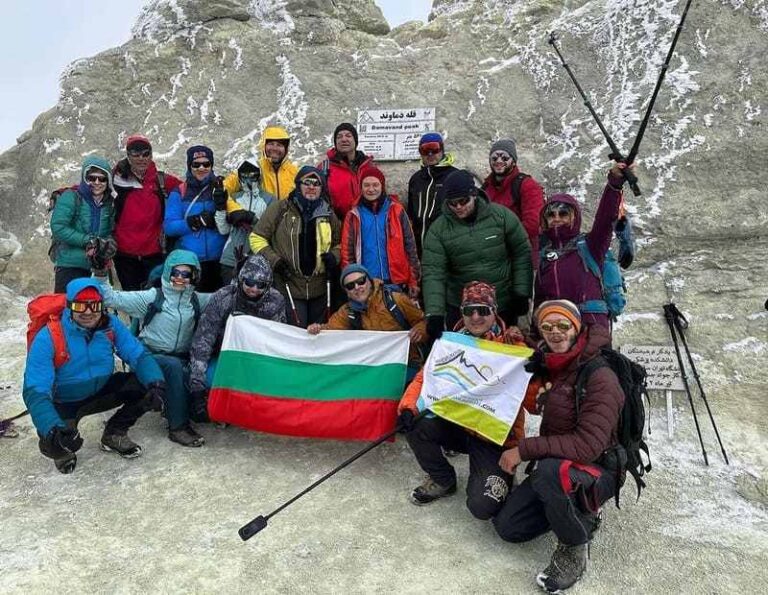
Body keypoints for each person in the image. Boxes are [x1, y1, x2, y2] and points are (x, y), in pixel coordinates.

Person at [492, 300, 624, 593]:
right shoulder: (557, 364)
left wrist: (523, 450)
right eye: (547, 327)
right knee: (508, 527)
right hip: (561, 465)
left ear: (576, 329)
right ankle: (570, 508)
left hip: (599, 468)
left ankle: (575, 546)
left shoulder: (599, 376)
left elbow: (587, 446)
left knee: (551, 472)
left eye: (563, 325)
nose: (555, 333)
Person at [397, 281, 527, 517]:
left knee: (482, 507)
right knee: (417, 425)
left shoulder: (511, 346)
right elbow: (424, 378)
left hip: (493, 436)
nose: (475, 316)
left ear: (494, 312)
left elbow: (532, 398)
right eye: (469, 310)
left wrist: (536, 366)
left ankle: (503, 475)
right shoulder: (449, 343)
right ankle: (442, 479)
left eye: (483, 310)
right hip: (460, 424)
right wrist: (409, 408)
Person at [22, 278, 165, 473]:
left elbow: (138, 355)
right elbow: (35, 391)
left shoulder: (110, 326)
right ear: (70, 307)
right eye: (81, 306)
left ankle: (114, 433)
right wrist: (51, 427)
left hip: (101, 390)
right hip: (65, 400)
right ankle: (62, 451)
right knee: (56, 438)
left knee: (142, 385)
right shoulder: (49, 336)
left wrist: (155, 383)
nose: (88, 312)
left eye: (94, 305)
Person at [93, 249, 213, 447]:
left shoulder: (196, 300)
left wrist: (242, 280)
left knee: (189, 369)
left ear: (195, 276)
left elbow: (222, 298)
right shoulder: (151, 298)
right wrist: (99, 272)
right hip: (149, 356)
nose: (180, 278)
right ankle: (178, 427)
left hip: (181, 358)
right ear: (168, 273)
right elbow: (109, 298)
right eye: (176, 273)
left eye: (186, 274)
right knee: (173, 366)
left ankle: (180, 408)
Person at [422, 169, 532, 334]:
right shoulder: (439, 229)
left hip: (501, 301)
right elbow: (433, 272)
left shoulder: (501, 216)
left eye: (463, 201)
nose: (458, 207)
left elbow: (522, 253)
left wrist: (521, 292)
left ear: (474, 195)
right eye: (453, 203)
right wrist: (435, 313)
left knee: (503, 349)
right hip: (462, 308)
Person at [188, 254, 286, 420]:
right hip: (223, 356)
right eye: (249, 282)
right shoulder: (224, 297)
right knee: (209, 380)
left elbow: (278, 339)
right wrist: (197, 383)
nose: (254, 289)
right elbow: (204, 339)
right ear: (241, 279)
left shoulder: (276, 301)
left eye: (260, 285)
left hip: (256, 358)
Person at [535, 163, 630, 330]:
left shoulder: (591, 246)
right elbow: (539, 302)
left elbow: (605, 219)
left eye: (563, 213)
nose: (556, 218)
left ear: (574, 217)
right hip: (556, 334)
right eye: (551, 214)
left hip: (591, 329)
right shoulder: (544, 256)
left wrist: (614, 184)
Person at [250, 166, 341, 327]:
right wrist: (274, 261)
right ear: (298, 184)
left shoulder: (328, 212)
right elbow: (257, 237)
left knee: (319, 334)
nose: (311, 187)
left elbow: (340, 243)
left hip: (320, 287)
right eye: (307, 182)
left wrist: (334, 256)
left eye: (317, 183)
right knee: (294, 332)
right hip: (288, 285)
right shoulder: (280, 209)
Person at [308, 264, 427, 373]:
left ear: (369, 281)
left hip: (405, 364)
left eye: (361, 281)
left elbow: (424, 322)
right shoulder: (346, 312)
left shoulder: (395, 299)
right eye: (350, 286)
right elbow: (329, 332)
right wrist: (317, 329)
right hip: (372, 368)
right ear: (346, 292)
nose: (357, 287)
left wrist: (420, 330)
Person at [112, 134, 182, 290]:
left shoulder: (162, 181)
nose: (141, 158)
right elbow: (94, 186)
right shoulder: (116, 178)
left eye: (145, 154)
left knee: (155, 301)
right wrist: (65, 192)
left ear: (151, 155)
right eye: (135, 154)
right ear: (128, 156)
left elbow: (188, 190)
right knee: (132, 301)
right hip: (125, 255)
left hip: (154, 254)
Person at [340, 165, 421, 300]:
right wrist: (351, 282)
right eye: (366, 185)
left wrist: (414, 280)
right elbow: (347, 252)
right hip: (366, 283)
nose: (371, 189)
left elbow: (410, 247)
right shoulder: (354, 214)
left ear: (382, 186)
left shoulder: (397, 210)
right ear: (361, 187)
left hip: (397, 282)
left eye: (375, 185)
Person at [163, 145, 227, 292]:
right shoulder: (179, 192)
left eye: (206, 164)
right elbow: (169, 227)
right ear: (189, 166)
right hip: (189, 264)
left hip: (220, 261)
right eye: (196, 164)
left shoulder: (221, 189)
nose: (201, 168)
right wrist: (195, 221)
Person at [50, 156, 117, 293]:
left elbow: (109, 231)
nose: (97, 182)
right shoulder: (71, 197)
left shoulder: (109, 204)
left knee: (94, 310)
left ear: (108, 181)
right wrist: (88, 241)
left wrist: (109, 244)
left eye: (102, 179)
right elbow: (58, 227)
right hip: (70, 265)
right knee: (67, 307)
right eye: (92, 178)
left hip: (97, 268)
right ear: (85, 178)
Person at [481, 138, 545, 264]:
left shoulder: (527, 185)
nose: (499, 161)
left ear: (513, 161)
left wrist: (498, 238)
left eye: (504, 157)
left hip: (522, 258)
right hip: (493, 260)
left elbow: (534, 223)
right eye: (494, 158)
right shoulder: (485, 189)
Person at [215, 159, 273, 284]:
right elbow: (223, 230)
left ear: (259, 176)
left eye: (253, 175)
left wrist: (252, 219)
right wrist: (220, 209)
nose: (248, 179)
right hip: (231, 259)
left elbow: (271, 230)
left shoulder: (269, 199)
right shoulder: (234, 198)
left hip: (257, 259)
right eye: (244, 175)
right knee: (230, 298)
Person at [406, 132, 458, 260]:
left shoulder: (454, 176)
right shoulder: (416, 179)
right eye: (425, 150)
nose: (430, 154)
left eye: (434, 149)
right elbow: (411, 215)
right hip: (419, 249)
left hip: (445, 247)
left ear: (442, 150)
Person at [224, 125, 298, 201]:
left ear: (286, 149)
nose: (275, 148)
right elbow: (225, 189)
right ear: (264, 146)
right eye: (271, 144)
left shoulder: (295, 173)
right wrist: (235, 209)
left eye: (279, 145)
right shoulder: (252, 167)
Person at [318, 122, 374, 220]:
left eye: (348, 136)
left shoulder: (369, 167)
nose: (344, 139)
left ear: (355, 141)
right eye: (339, 137)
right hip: (337, 225)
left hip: (366, 223)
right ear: (335, 143)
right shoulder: (324, 168)